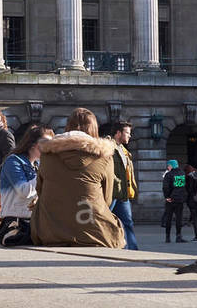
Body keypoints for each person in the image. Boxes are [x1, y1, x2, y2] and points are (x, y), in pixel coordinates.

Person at [32, 107, 124, 248]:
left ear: (67, 127)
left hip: (50, 232)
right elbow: (107, 198)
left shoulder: (47, 154)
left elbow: (40, 190)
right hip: (94, 232)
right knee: (118, 227)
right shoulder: (104, 156)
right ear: (93, 128)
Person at [0, 124, 54, 246]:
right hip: (15, 220)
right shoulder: (13, 161)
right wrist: (45, 171)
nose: (49, 148)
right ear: (33, 144)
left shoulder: (37, 165)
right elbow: (24, 191)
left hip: (34, 220)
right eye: (46, 143)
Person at [109, 121, 140, 250]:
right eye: (127, 133)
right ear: (118, 133)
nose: (129, 136)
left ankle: (133, 249)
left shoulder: (124, 151)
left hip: (123, 194)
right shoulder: (107, 147)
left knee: (128, 223)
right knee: (103, 221)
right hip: (111, 193)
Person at [162, 159, 190, 243]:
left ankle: (167, 237)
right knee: (179, 218)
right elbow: (183, 186)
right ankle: (178, 236)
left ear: (171, 165)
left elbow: (165, 187)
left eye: (168, 165)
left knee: (169, 219)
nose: (168, 167)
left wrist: (167, 196)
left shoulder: (169, 174)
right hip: (180, 199)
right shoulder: (182, 174)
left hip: (171, 199)